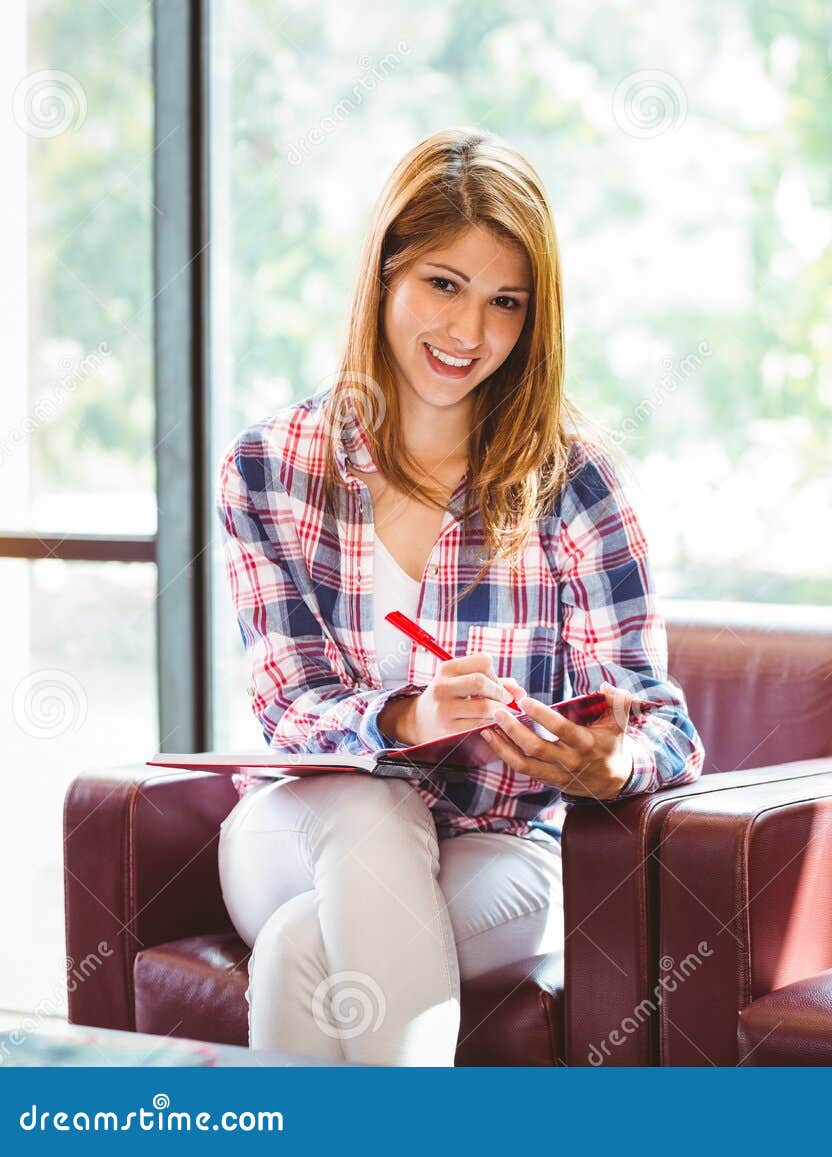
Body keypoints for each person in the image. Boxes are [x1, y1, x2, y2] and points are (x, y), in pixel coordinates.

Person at [213, 126, 704, 1065]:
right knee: (373, 807)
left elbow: (664, 730)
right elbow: (290, 705)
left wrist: (604, 763)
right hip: (298, 828)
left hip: (502, 844)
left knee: (302, 949)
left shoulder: (575, 483)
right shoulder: (270, 466)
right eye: (444, 284)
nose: (470, 334)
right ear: (386, 274)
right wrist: (404, 717)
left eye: (505, 302)